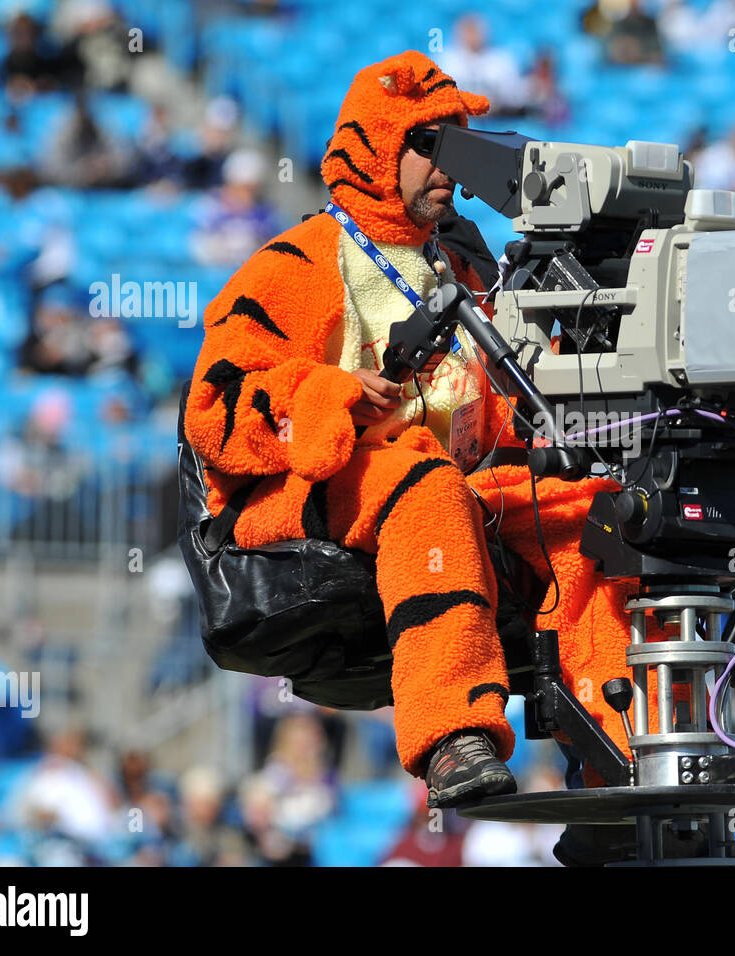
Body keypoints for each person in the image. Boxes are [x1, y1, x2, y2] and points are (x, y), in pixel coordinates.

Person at [183, 51, 656, 809]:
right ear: (375, 147)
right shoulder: (299, 263)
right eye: (427, 143)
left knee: (599, 518)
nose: (449, 164)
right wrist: (330, 394)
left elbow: (508, 406)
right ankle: (450, 738)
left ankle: (619, 762)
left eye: (457, 141)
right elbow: (216, 407)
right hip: (310, 488)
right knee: (423, 480)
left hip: (454, 481)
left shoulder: (463, 266)